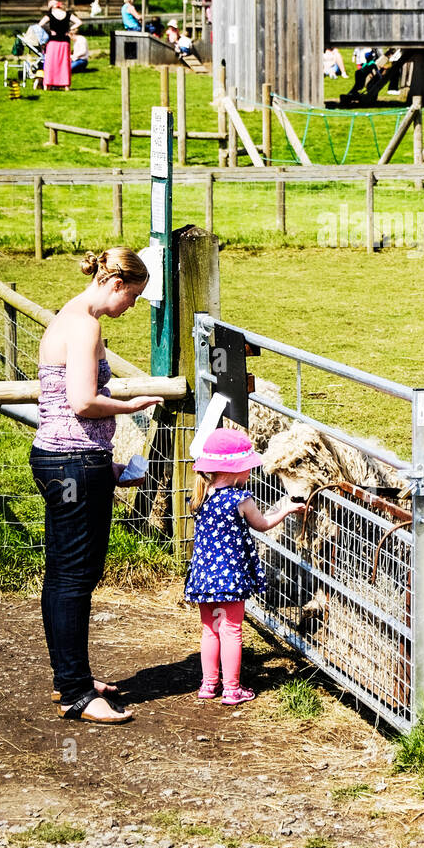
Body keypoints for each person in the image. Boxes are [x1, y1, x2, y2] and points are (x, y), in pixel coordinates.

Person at [30, 248, 162, 725]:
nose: (131, 306)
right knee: (73, 577)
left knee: (66, 573)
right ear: (115, 284)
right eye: (133, 296)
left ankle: (71, 675)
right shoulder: (85, 324)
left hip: (64, 460)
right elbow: (84, 401)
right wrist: (130, 407)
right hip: (72, 465)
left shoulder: (68, 315)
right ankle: (76, 693)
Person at [185, 428, 302, 704]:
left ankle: (208, 684)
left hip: (203, 578)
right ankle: (232, 688)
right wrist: (285, 509)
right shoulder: (240, 499)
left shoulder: (200, 497)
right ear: (236, 470)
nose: (251, 471)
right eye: (248, 466)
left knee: (210, 630)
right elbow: (262, 525)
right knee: (231, 631)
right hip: (230, 579)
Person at [38, 0, 80, 91]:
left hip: (53, 42)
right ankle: (66, 86)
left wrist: (49, 31)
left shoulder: (49, 16)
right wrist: (70, 29)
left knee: (50, 64)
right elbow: (79, 22)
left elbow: (39, 25)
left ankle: (47, 85)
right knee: (64, 64)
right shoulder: (68, 15)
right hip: (64, 42)